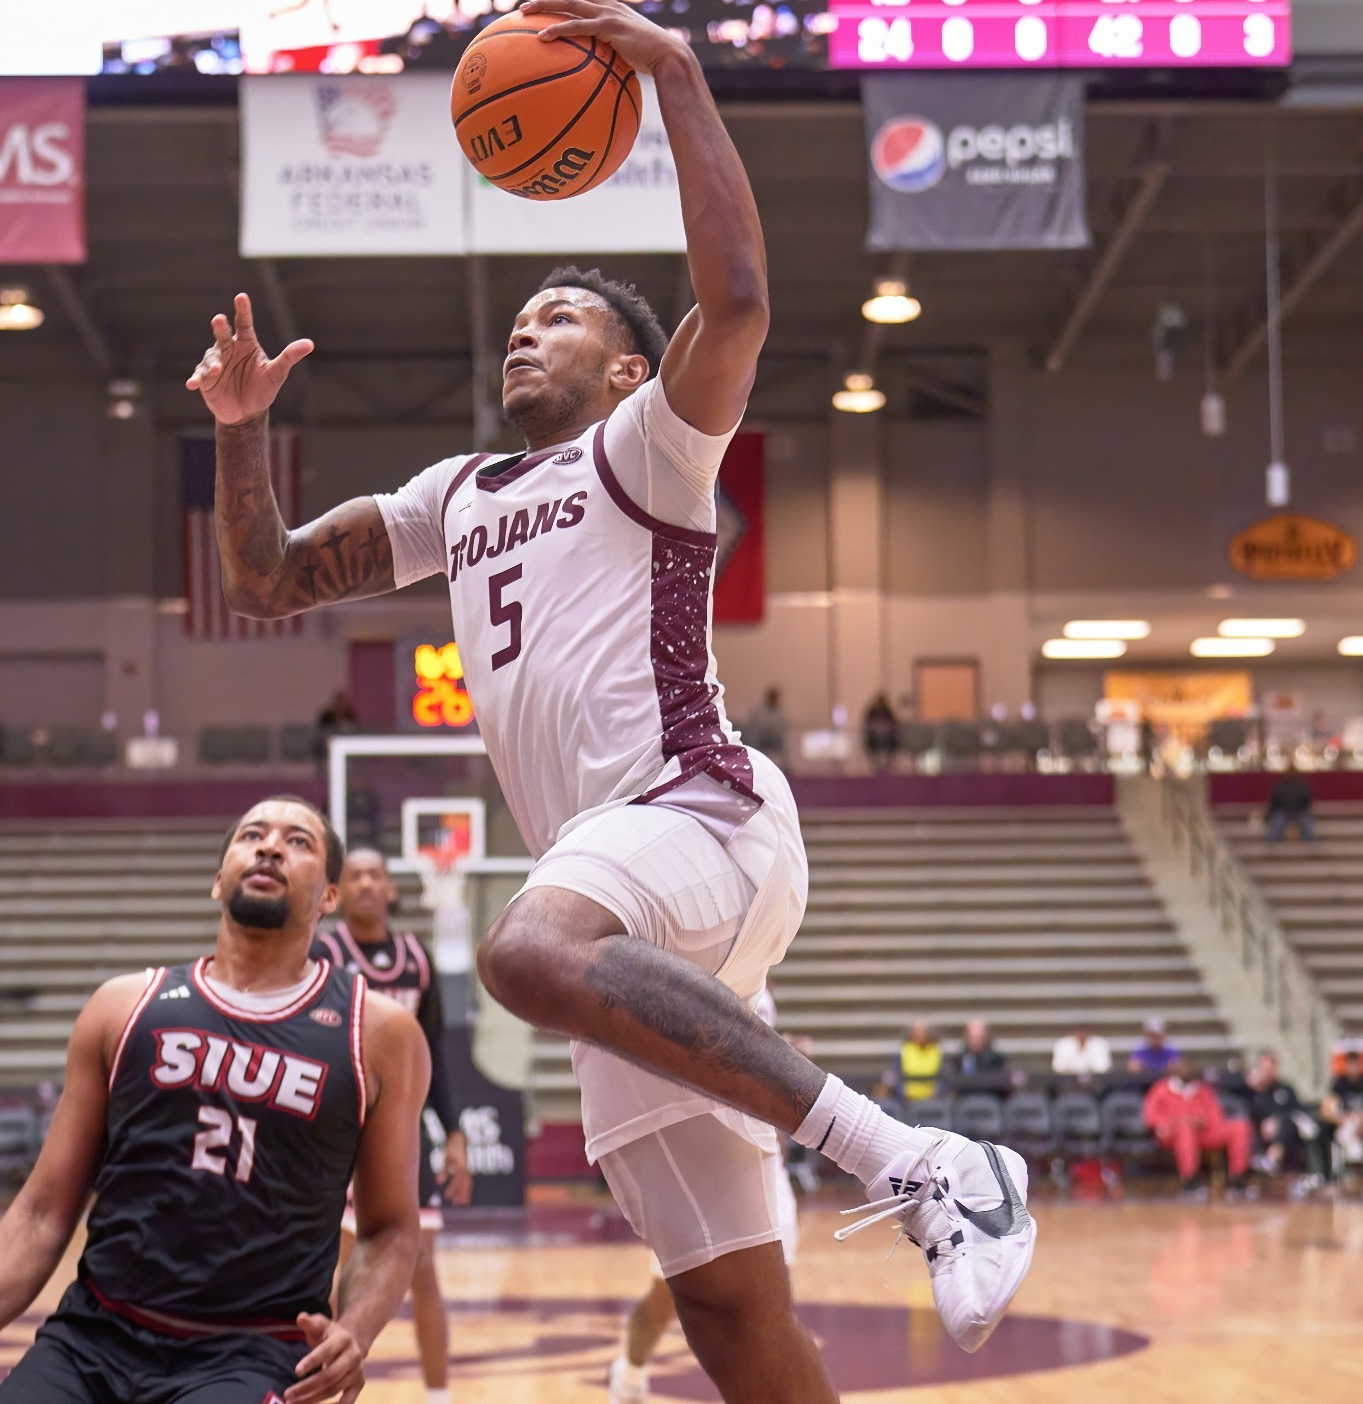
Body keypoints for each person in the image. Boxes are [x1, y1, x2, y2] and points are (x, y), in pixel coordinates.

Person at [189, 0, 1034, 1375]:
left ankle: (930, 1159)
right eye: (519, 319)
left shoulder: (648, 447)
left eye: (563, 317)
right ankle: (888, 1169)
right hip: (621, 904)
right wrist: (240, 438)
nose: (527, 333)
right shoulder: (455, 495)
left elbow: (743, 300)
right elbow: (271, 580)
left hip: (696, 812)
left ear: (630, 368)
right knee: (728, 1316)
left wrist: (677, 71)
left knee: (523, 951)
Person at [0, 796, 429, 1404]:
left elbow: (391, 1226)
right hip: (93, 1336)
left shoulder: (378, 1034)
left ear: (328, 897)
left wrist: (355, 1331)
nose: (270, 847)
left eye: (299, 842)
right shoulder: (122, 1008)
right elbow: (42, 1210)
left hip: (254, 1352)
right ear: (218, 881)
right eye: (251, 835)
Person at [314, 849, 472, 1404]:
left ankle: (439, 1397)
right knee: (325, 1274)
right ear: (336, 891)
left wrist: (453, 1133)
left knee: (422, 1266)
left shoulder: (417, 960)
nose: (365, 882)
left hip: (400, 1136)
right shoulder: (323, 954)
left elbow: (434, 1055)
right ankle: (312, 1387)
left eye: (374, 874)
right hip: (338, 1131)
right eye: (354, 875)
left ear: (390, 889)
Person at [607, 986, 805, 1404]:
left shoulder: (760, 991)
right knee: (665, 1299)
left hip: (761, 1169)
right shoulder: (680, 986)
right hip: (696, 1166)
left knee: (768, 1309)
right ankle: (628, 1373)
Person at [1141, 1056, 1251, 1200]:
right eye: (1180, 1066)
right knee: (1185, 1129)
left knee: (1240, 1127)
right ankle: (1190, 1184)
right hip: (1173, 1133)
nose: (1185, 1070)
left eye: (1187, 1066)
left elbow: (1215, 1116)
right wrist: (1178, 1121)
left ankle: (1238, 1182)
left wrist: (1198, 1120)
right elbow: (1150, 1117)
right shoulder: (1161, 1089)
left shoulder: (1204, 1091)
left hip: (1202, 1132)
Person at [1242, 1050, 1327, 1183]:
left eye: (1271, 1068)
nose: (1268, 1072)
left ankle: (1272, 1158)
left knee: (1286, 1122)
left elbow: (1298, 1110)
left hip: (1289, 1132)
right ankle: (1268, 1159)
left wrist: (1276, 1120)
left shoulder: (1285, 1088)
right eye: (1265, 1069)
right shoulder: (1251, 1091)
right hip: (1260, 1132)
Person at [895, 1020, 944, 1103]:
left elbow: (943, 1074)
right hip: (908, 1098)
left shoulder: (936, 1050)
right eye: (917, 1032)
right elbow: (897, 1073)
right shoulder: (905, 1050)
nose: (920, 1035)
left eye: (922, 1032)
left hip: (933, 1097)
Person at [1264, 767, 1316, 844]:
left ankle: (1312, 848)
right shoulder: (1280, 787)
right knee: (1276, 825)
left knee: (1308, 826)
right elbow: (1274, 803)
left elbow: (1307, 802)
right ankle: (1273, 849)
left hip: (1299, 813)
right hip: (1284, 812)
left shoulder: (1301, 786)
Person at [746, 688, 788, 770]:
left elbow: (782, 725)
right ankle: (752, 763)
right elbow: (757, 724)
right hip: (762, 737)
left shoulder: (779, 711)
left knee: (781, 741)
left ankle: (785, 766)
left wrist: (774, 730)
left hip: (774, 738)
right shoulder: (760, 710)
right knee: (753, 738)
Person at [862, 694, 899, 773]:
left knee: (892, 744)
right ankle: (877, 766)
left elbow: (894, 725)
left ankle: (886, 766)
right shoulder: (872, 713)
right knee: (871, 745)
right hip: (874, 738)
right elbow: (868, 725)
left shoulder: (888, 713)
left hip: (888, 738)